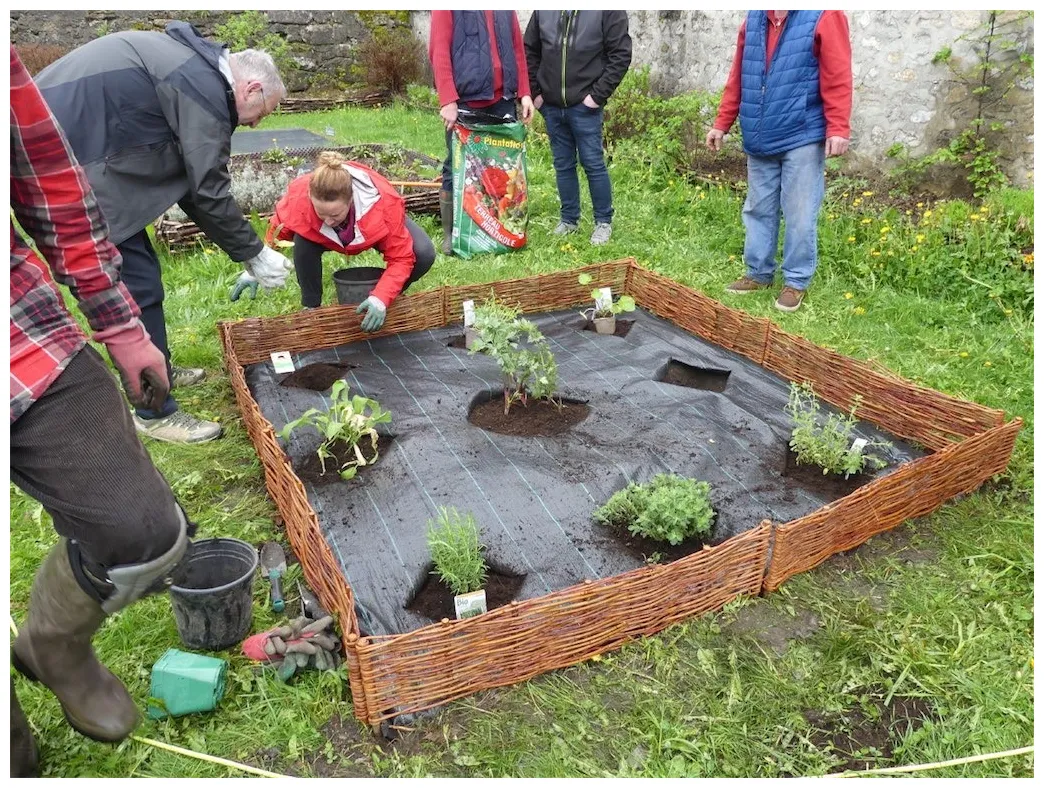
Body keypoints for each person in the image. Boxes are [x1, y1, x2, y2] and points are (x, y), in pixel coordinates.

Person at [10, 46, 193, 777]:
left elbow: (49, 183)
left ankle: (51, 643)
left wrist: (120, 326)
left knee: (144, 528)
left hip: (19, 333)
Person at [34, 22, 292, 443]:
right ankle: (154, 410)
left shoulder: (192, 68)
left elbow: (192, 182)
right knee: (138, 285)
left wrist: (247, 250)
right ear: (252, 89)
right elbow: (207, 187)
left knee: (143, 276)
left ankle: (159, 366)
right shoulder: (203, 88)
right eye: (262, 114)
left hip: (80, 149)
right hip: (64, 158)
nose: (253, 125)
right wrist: (254, 253)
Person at [706, 10, 852, 312]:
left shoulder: (824, 15)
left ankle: (795, 281)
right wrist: (722, 122)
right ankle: (758, 273)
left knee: (799, 213)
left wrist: (838, 126)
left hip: (802, 133)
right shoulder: (754, 19)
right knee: (758, 208)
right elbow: (739, 76)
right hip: (760, 134)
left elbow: (837, 74)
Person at [232, 151, 436, 329]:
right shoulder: (299, 201)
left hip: (373, 227)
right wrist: (256, 268)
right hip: (321, 239)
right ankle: (311, 306)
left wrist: (381, 297)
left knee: (423, 253)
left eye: (335, 215)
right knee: (303, 241)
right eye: (321, 214)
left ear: (351, 200)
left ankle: (382, 298)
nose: (328, 221)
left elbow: (401, 258)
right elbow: (279, 232)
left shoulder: (382, 206)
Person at [428, 10, 535, 255]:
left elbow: (518, 49)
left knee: (503, 167)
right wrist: (447, 100)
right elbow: (439, 50)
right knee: (454, 166)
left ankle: (497, 227)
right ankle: (451, 234)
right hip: (465, 100)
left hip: (503, 98)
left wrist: (525, 92)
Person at [524, 11, 632, 246]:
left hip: (585, 107)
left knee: (593, 164)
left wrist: (596, 97)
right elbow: (529, 51)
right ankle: (568, 220)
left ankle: (603, 222)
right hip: (551, 106)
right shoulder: (544, 11)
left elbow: (621, 55)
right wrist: (536, 94)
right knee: (563, 165)